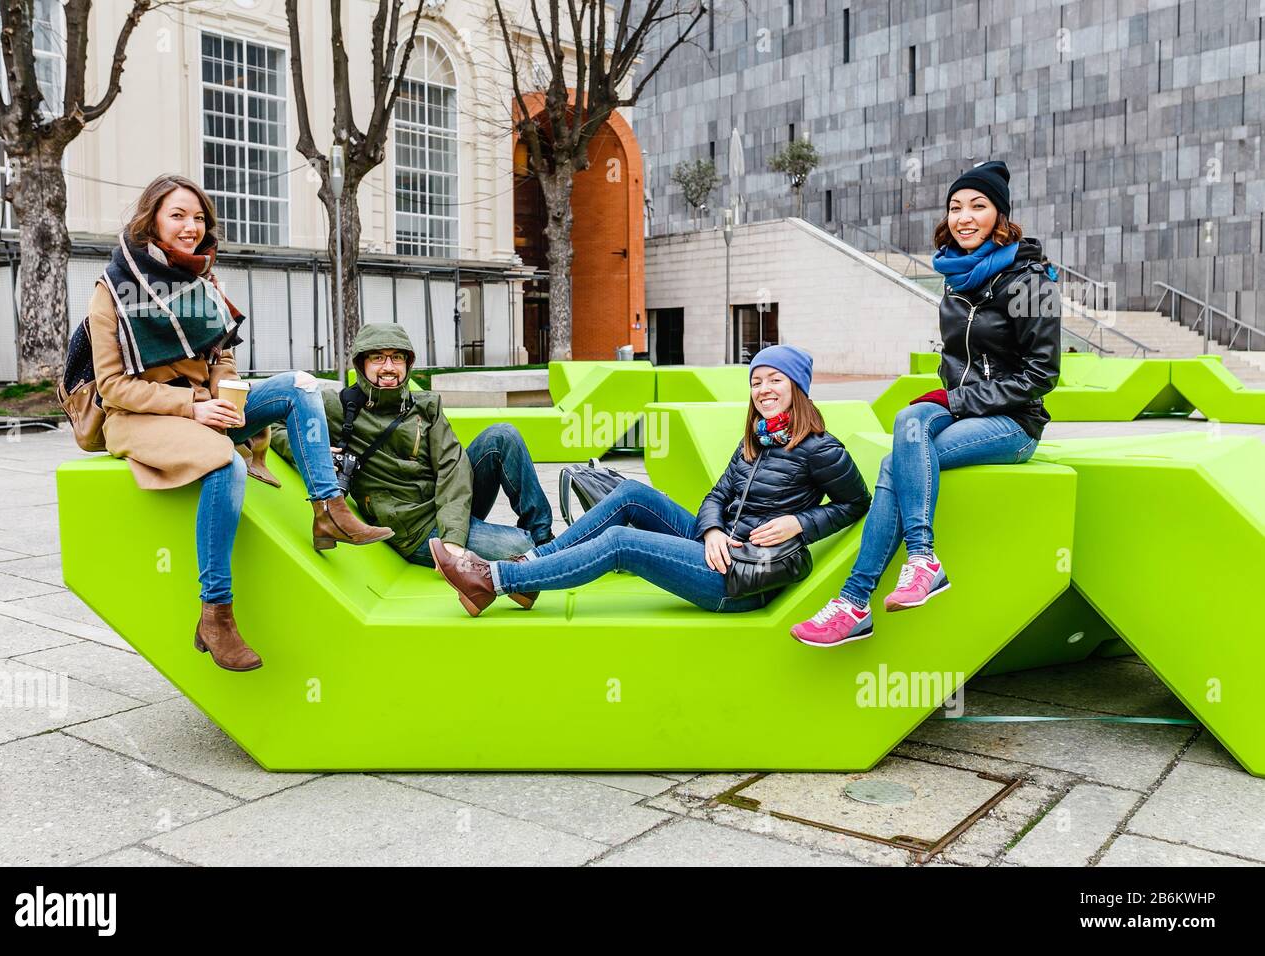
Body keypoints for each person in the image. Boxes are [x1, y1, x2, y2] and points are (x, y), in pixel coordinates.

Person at [88, 174, 393, 673]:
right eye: (177, 216)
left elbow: (221, 357)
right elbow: (113, 389)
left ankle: (328, 509)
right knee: (224, 462)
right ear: (151, 221)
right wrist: (192, 407)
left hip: (206, 407)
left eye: (198, 217)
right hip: (141, 416)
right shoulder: (112, 292)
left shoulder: (204, 282)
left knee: (300, 386)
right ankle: (216, 614)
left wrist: (226, 392)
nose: (191, 227)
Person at [791, 160, 1061, 648]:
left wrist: (958, 400)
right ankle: (916, 567)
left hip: (1013, 422)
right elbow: (956, 359)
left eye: (978, 206)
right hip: (964, 406)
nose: (964, 216)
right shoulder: (956, 280)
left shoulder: (1031, 282)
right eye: (956, 207)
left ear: (1000, 216)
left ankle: (862, 597)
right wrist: (949, 398)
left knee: (899, 461)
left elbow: (1042, 375)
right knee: (910, 417)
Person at [428, 345, 873, 615]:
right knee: (631, 494)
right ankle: (531, 569)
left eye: (775, 379)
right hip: (718, 549)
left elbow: (857, 502)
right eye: (756, 382)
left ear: (798, 386)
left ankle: (495, 579)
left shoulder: (820, 447)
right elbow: (718, 494)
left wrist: (800, 523)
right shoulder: (755, 440)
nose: (763, 390)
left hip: (744, 580)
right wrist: (713, 529)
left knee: (623, 542)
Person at [270, 323, 554, 577]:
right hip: (414, 528)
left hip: (447, 508)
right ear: (361, 363)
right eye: (377, 358)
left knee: (503, 435)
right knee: (521, 547)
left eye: (397, 357)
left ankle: (545, 538)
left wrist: (453, 539)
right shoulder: (340, 407)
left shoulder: (425, 406)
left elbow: (452, 467)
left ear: (408, 363)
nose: (388, 367)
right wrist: (320, 456)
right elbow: (277, 424)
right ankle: (540, 549)